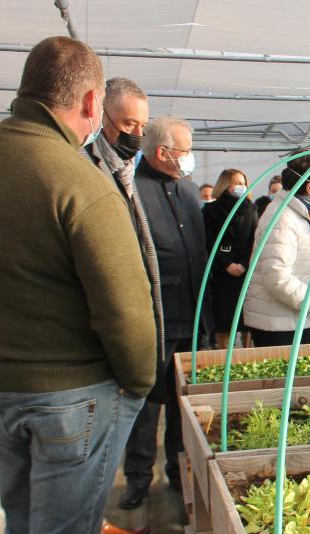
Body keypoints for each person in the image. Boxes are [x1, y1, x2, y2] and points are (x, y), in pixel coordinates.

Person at [0, 36, 155, 534]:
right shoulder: (78, 180)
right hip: (69, 397)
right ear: (92, 102)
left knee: (23, 525)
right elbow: (124, 310)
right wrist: (138, 383)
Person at [84, 75, 162, 534]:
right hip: (99, 343)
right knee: (93, 448)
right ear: (101, 116)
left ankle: (96, 524)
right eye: (127, 123)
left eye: (141, 125)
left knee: (100, 453)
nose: (135, 133)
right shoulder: (87, 169)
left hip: (129, 330)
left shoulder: (123, 170)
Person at [121, 116, 210, 510]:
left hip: (193, 312)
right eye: (185, 151)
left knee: (183, 398)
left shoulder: (187, 189)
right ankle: (138, 478)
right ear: (162, 152)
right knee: (146, 402)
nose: (190, 158)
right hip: (156, 316)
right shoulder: (132, 190)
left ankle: (178, 470)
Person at [243, 154, 310, 347]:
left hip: (294, 317)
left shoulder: (303, 214)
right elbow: (278, 278)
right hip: (279, 325)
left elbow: (307, 270)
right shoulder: (282, 220)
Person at [203, 168, 257, 350]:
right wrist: (226, 264)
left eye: (243, 183)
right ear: (225, 185)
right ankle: (223, 355)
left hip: (245, 272)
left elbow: (254, 240)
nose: (242, 186)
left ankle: (248, 356)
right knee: (224, 321)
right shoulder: (211, 210)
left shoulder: (251, 209)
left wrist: (244, 263)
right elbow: (208, 241)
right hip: (221, 274)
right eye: (237, 183)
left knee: (247, 321)